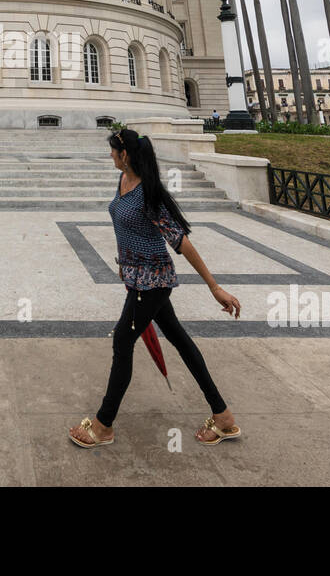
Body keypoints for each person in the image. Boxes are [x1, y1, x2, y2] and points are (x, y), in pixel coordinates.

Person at [69, 128, 243, 448]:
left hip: (152, 283)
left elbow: (180, 241)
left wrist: (214, 287)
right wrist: (124, 262)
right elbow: (126, 226)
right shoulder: (123, 181)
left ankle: (103, 425)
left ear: (127, 155)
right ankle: (223, 417)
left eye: (113, 151)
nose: (109, 154)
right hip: (137, 277)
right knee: (180, 340)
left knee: (123, 341)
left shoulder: (149, 194)